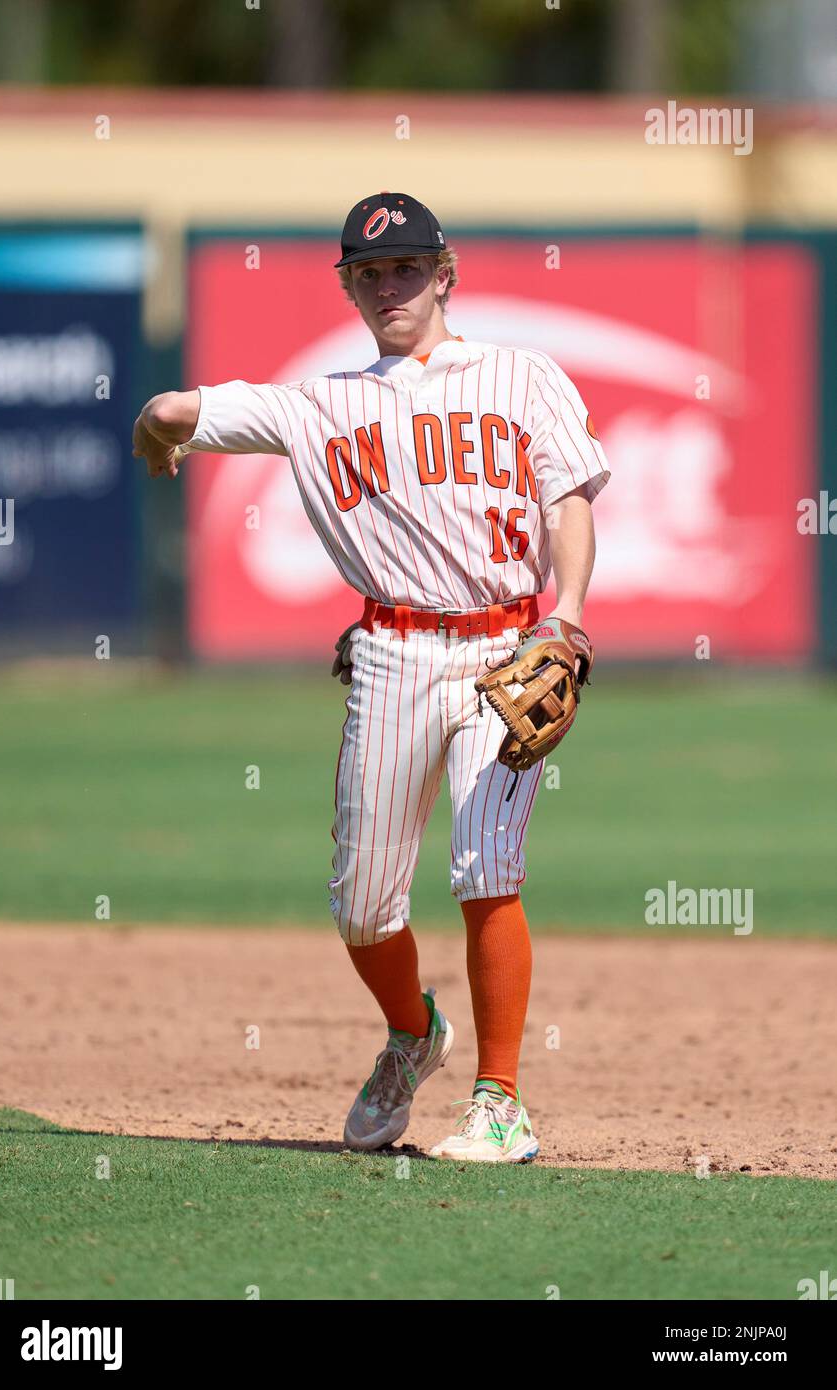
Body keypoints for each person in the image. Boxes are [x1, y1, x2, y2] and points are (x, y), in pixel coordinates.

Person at [132, 191, 609, 1163]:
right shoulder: (323, 401)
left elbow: (568, 500)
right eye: (367, 274)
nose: (387, 286)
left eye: (405, 269)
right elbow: (173, 407)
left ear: (447, 273)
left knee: (486, 871)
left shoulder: (520, 376)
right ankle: (411, 1032)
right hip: (389, 653)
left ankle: (500, 1100)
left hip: (503, 650)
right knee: (360, 902)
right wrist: (156, 430)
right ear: (349, 289)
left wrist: (565, 618)